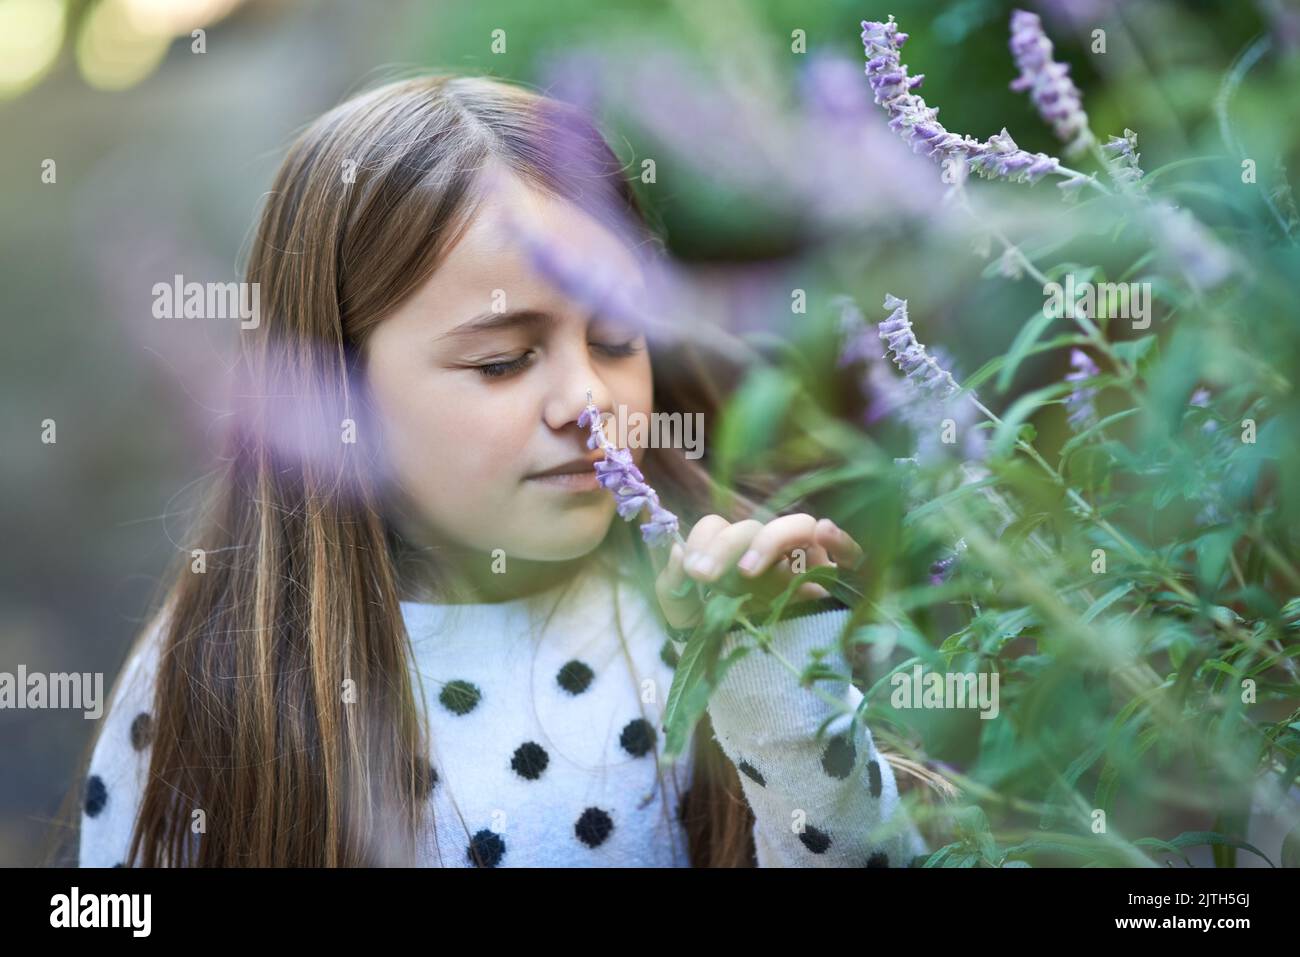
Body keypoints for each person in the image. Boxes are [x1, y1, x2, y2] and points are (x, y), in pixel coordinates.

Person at [76, 73, 933, 867]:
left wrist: (765, 672)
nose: (588, 400)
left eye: (615, 337)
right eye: (501, 361)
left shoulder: (705, 610)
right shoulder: (218, 676)